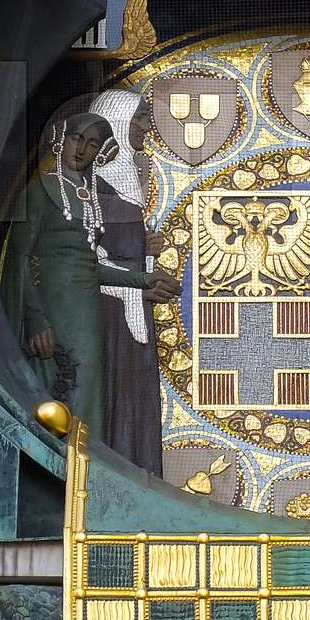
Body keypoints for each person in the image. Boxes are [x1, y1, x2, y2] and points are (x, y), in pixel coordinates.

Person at [12, 113, 171, 441]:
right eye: (76, 138)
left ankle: (84, 475)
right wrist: (36, 320)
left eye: (93, 143)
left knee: (88, 400)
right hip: (56, 311)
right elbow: (19, 259)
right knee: (57, 394)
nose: (82, 149)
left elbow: (88, 266)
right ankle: (57, 476)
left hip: (87, 313)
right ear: (62, 139)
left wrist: (143, 280)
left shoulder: (89, 194)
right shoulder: (41, 189)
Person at [88, 90, 172, 474]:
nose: (144, 127)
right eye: (138, 119)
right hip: (109, 314)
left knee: (135, 398)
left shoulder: (123, 182)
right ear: (117, 125)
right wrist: (139, 254)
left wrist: (143, 249)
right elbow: (89, 256)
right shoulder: (93, 188)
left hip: (129, 308)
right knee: (118, 395)